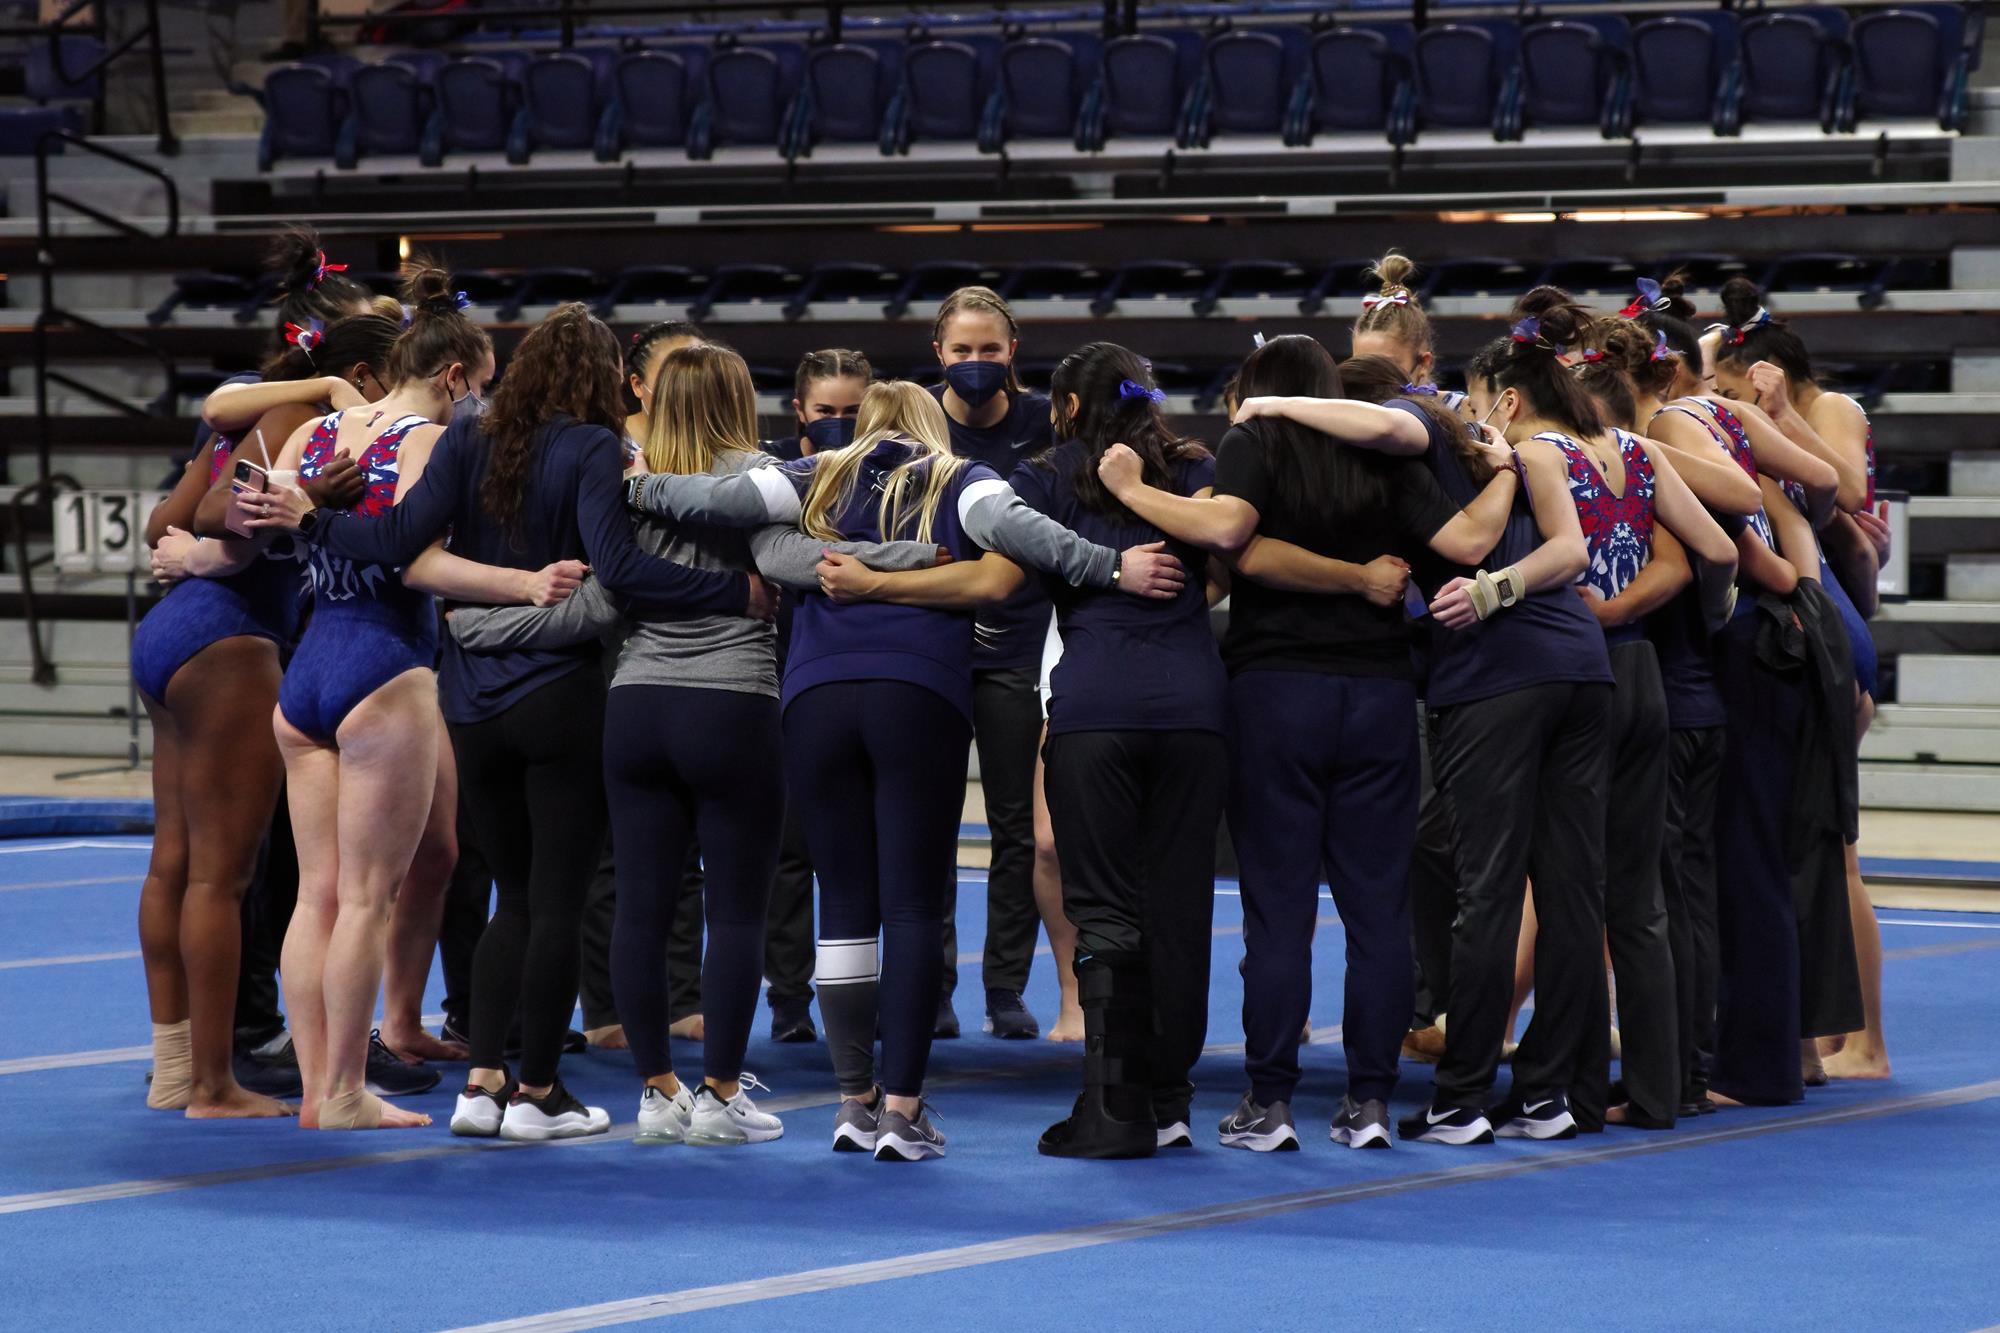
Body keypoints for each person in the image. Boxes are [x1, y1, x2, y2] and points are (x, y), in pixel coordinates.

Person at [628, 379, 1185, 1160]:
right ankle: (901, 1107)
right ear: (929, 427)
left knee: (844, 904)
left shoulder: (813, 472)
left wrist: (639, 479)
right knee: (916, 906)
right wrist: (1112, 567)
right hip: (916, 694)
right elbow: (1022, 531)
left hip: (815, 697)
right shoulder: (956, 477)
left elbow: (719, 500)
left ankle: (851, 1102)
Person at [448, 344, 943, 1147]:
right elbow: (806, 564)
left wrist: (480, 622)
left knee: (641, 904)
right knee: (736, 911)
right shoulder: (763, 475)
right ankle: (717, 1093)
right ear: (740, 401)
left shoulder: (619, 480)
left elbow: (599, 599)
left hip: (636, 706)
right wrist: (919, 556)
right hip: (732, 705)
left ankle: (656, 1091)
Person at [237, 292, 675, 1134]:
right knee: (367, 897)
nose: (485, 400)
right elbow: (415, 559)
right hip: (382, 665)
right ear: (452, 376)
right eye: (479, 383)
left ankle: (319, 1085)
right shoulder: (434, 437)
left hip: (308, 663)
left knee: (316, 897)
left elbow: (254, 509)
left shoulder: (319, 432)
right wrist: (522, 583)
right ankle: (343, 1090)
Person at [1097, 335, 1521, 1152]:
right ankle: (1367, 1102)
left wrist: (1134, 488)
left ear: (1257, 389)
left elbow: (1232, 539)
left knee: (1280, 911)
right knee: (1378, 910)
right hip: (1379, 693)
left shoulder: (1256, 439)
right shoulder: (1381, 455)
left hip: (1276, 691)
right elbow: (1467, 544)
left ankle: (1272, 1099)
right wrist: (1506, 472)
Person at [1341, 304, 1602, 1144]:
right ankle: (1548, 1092)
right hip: (1580, 669)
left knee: (1489, 888)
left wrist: (1492, 590)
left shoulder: (1483, 453)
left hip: (1497, 677)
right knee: (1569, 891)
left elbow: (1528, 552)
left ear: (1507, 400)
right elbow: (1571, 551)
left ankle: (1460, 1096)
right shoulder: (1533, 454)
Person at [129, 312, 399, 1119]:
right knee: (220, 876)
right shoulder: (304, 420)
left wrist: (214, 544)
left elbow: (161, 524)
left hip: (173, 631)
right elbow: (216, 509)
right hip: (229, 644)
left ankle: (175, 1068)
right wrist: (308, 495)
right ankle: (212, 1083)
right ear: (360, 373)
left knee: (173, 863)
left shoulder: (246, 411)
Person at [1549, 300, 1740, 1130]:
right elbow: (1722, 550)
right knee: (1642, 901)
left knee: (1577, 896)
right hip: (1647, 674)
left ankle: (1581, 1090)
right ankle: (1663, 1089)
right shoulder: (1646, 456)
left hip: (1582, 673)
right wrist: (1699, 614)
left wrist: (1597, 609)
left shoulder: (1547, 455)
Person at [1710, 278, 1889, 1083]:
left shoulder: (1830, 410)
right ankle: (1809, 1039)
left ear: (1763, 371)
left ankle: (1865, 1043)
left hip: (1828, 630)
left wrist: (1777, 416)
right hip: (1821, 617)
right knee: (1798, 845)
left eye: (1723, 384)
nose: (1714, 397)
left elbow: (1846, 492)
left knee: (1832, 847)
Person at [929, 286, 1055, 1040]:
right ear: (938, 355)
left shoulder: (1043, 423)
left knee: (1018, 828)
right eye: (962, 351)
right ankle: (934, 984)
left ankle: (1004, 985)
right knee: (931, 822)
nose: (977, 363)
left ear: (1013, 352)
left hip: (1020, 648)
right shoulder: (916, 423)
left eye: (990, 350)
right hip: (935, 648)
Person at [761, 348, 874, 1042]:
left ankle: (862, 996)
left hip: (857, 672)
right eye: (826, 411)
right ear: (800, 411)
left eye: (853, 413)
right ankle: (789, 1001)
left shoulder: (889, 476)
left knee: (861, 850)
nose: (839, 423)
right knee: (788, 850)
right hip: (776, 676)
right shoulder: (769, 472)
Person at [1350, 251, 1469, 416]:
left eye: (1387, 366)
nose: (1371, 379)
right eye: (1362, 367)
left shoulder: (1466, 411)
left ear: (1423, 364)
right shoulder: (1346, 414)